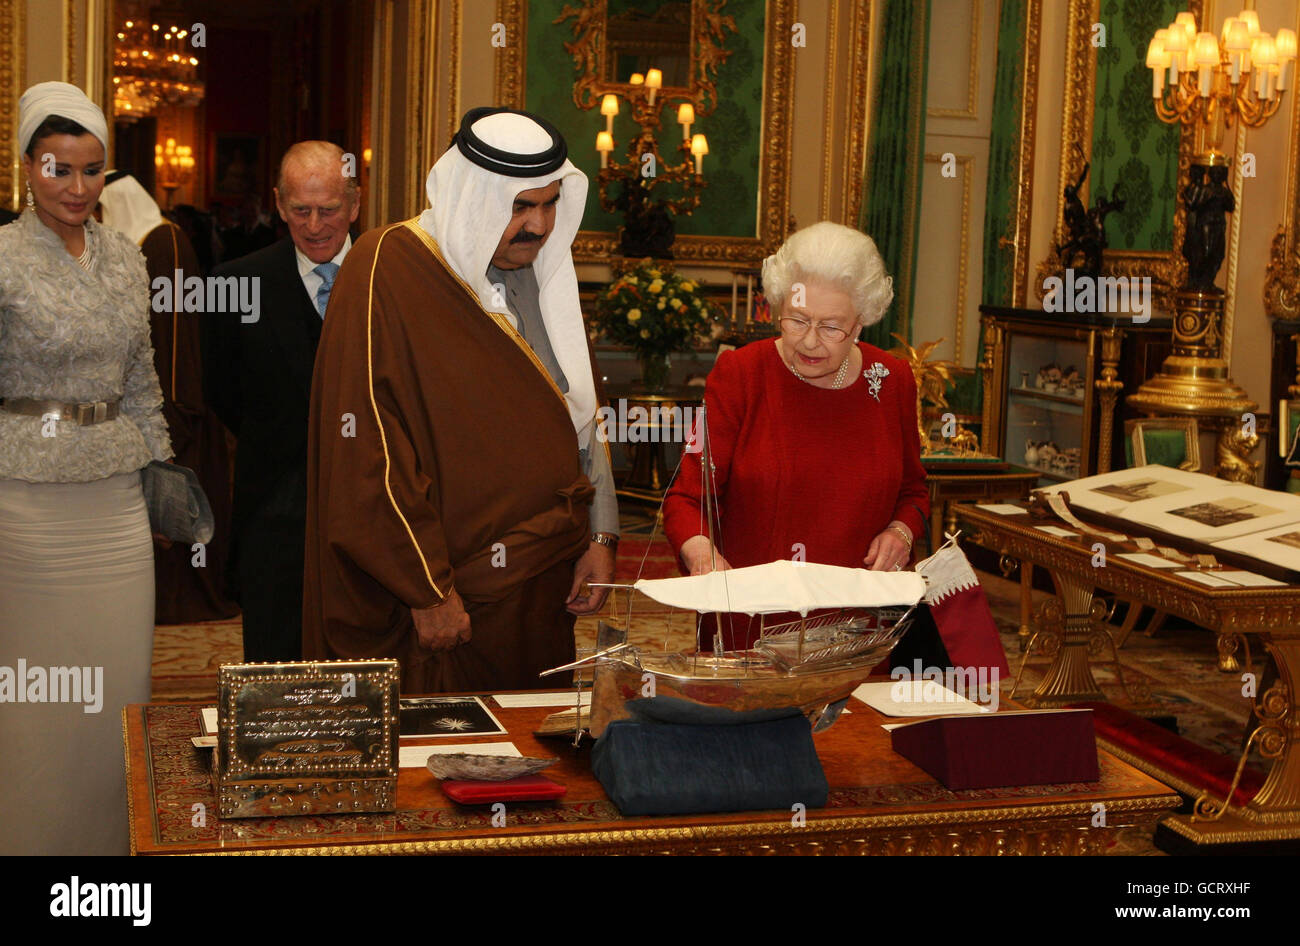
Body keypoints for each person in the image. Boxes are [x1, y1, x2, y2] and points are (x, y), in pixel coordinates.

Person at [303, 107, 619, 693]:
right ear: (475, 197)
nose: (541, 225)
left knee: (527, 749)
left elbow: (579, 410)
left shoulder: (543, 269)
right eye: (521, 206)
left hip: (538, 580)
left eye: (551, 203)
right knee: (438, 755)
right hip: (443, 595)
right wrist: (426, 588)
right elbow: (368, 446)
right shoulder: (388, 266)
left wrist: (600, 535)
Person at [0, 82, 172, 855]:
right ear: (27, 166)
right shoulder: (2, 259)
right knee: (31, 702)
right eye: (57, 169)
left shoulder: (126, 259)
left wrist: (165, 472)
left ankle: (107, 854)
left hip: (115, 508)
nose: (75, 188)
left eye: (91, 170)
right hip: (24, 508)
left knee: (115, 695)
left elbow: (142, 380)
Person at [662, 221, 929, 651]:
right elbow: (687, 498)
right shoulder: (741, 375)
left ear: (862, 322)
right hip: (753, 625)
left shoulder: (891, 378)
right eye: (797, 320)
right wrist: (702, 556)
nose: (809, 341)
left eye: (830, 327)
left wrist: (901, 532)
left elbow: (913, 491)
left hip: (860, 628)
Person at [201, 141, 358, 662]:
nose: (314, 226)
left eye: (328, 210)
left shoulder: (394, 278)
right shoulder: (234, 284)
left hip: (373, 513)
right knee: (276, 670)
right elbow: (223, 393)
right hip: (274, 516)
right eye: (299, 210)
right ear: (278, 203)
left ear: (354, 204)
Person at [99, 172, 237, 623]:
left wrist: (171, 419)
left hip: (177, 413)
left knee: (176, 520)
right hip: (142, 410)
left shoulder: (165, 244)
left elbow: (176, 342)